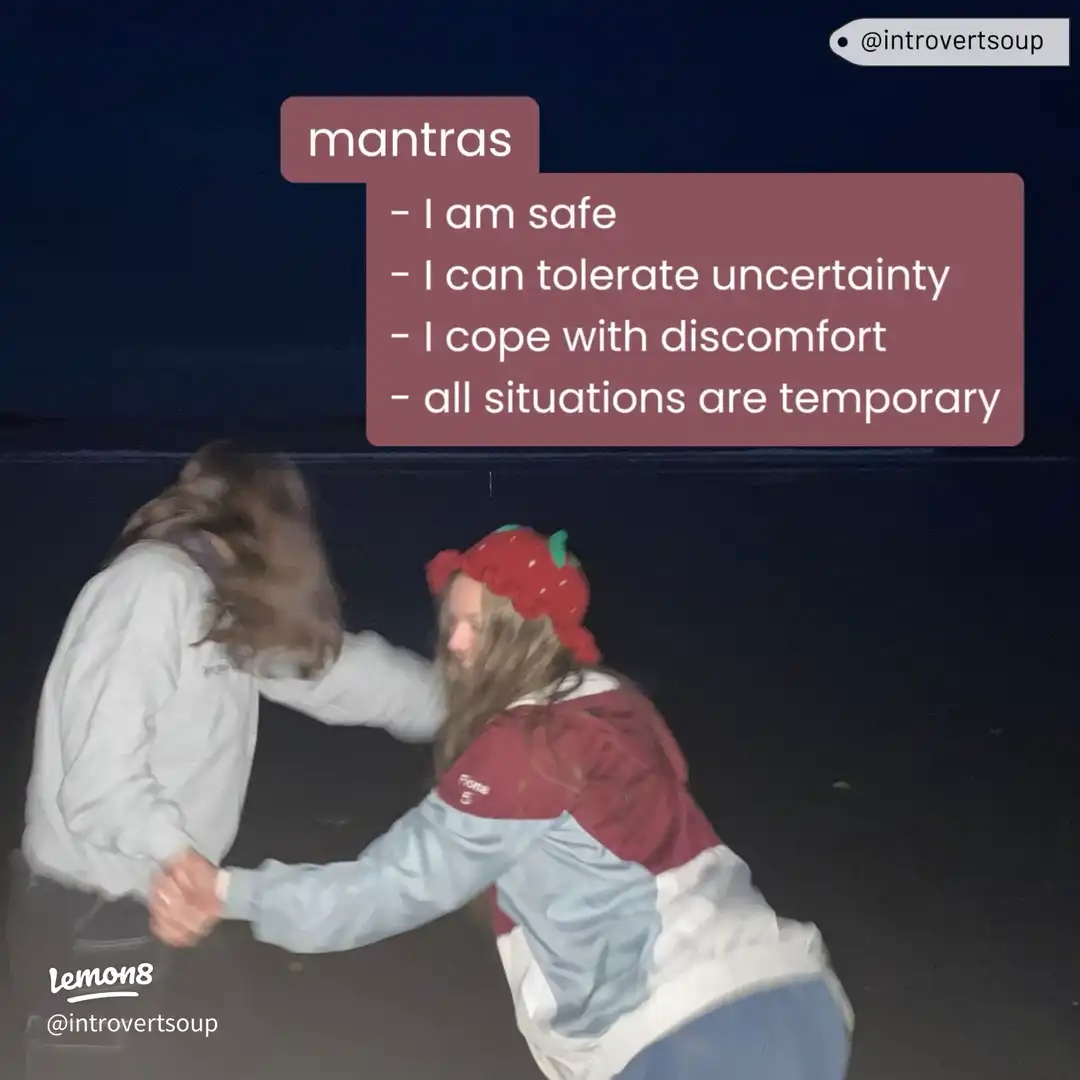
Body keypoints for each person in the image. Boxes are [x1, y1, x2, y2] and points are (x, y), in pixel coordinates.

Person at [150, 524, 854, 1080]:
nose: (455, 643)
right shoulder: (616, 704)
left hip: (686, 1038)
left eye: (481, 626)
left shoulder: (525, 748)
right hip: (795, 999)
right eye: (452, 620)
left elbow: (389, 888)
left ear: (529, 635)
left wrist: (230, 893)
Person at [6, 441, 445, 1080]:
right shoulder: (149, 586)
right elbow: (97, 779)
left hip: (162, 897)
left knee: (224, 1051)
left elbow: (337, 675)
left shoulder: (222, 604)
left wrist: (472, 708)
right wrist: (180, 860)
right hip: (93, 912)